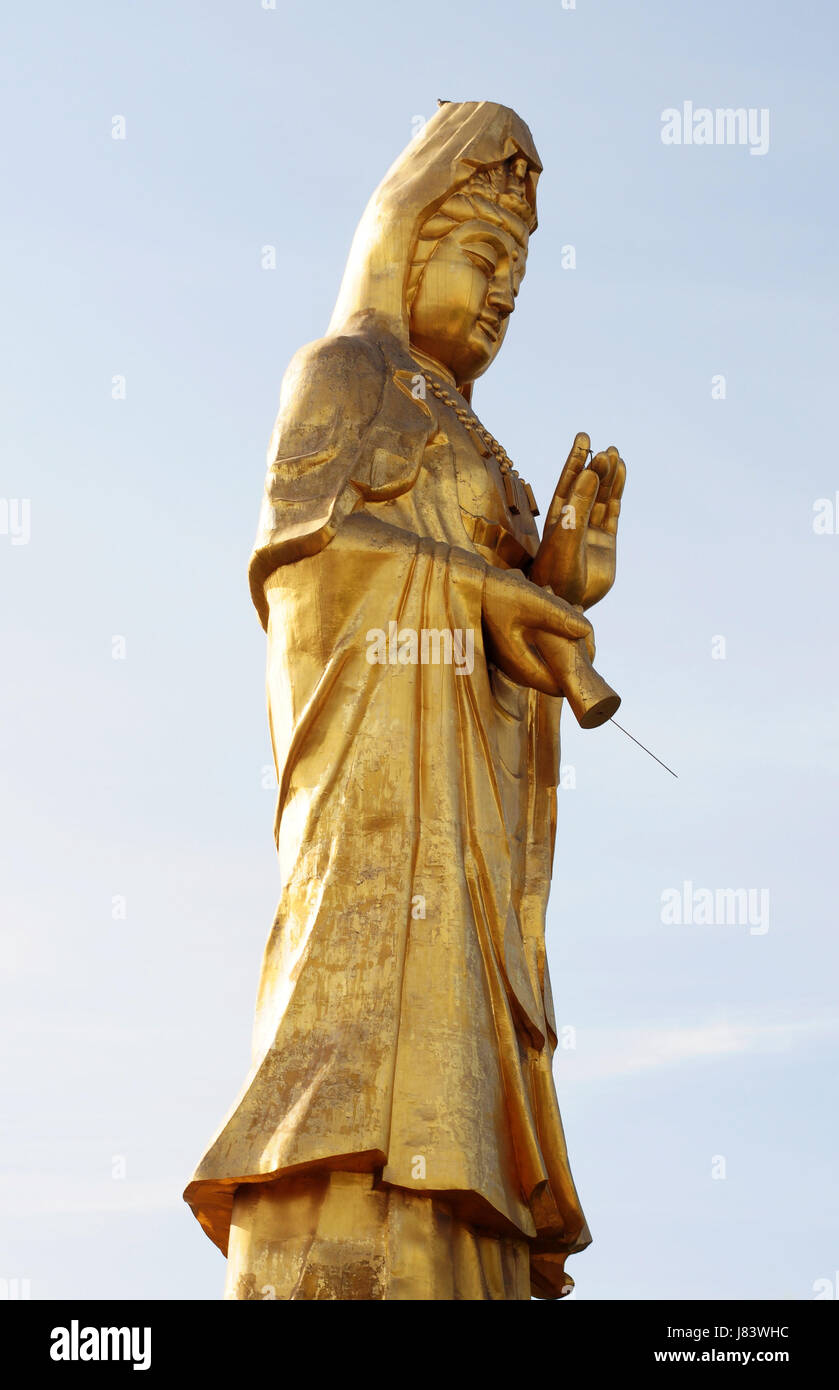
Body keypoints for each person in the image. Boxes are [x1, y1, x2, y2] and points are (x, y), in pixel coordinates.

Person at [184, 99, 626, 1301]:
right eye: (480, 260)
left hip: (466, 819)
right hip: (374, 803)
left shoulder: (479, 442)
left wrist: (556, 575)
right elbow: (308, 570)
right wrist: (473, 595)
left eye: (514, 287)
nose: (494, 301)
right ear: (405, 240)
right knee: (362, 1032)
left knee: (465, 1057)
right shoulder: (341, 374)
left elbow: (503, 607)